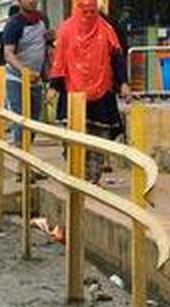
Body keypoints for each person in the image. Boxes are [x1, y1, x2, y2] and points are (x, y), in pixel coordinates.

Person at [51, 0, 128, 183]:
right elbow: (59, 58)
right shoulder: (66, 30)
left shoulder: (106, 29)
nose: (89, 16)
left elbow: (117, 57)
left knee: (98, 139)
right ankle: (77, 178)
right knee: (72, 139)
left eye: (92, 12)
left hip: (101, 92)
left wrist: (124, 83)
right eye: (84, 12)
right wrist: (54, 86)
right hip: (72, 92)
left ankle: (92, 181)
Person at [2, 0, 48, 142]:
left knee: (33, 123)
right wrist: (24, 71)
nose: (32, 1)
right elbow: (8, 53)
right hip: (16, 79)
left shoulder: (43, 19)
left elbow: (43, 44)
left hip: (36, 80)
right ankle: (20, 157)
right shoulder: (13, 24)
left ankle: (25, 153)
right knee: (20, 121)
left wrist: (50, 38)